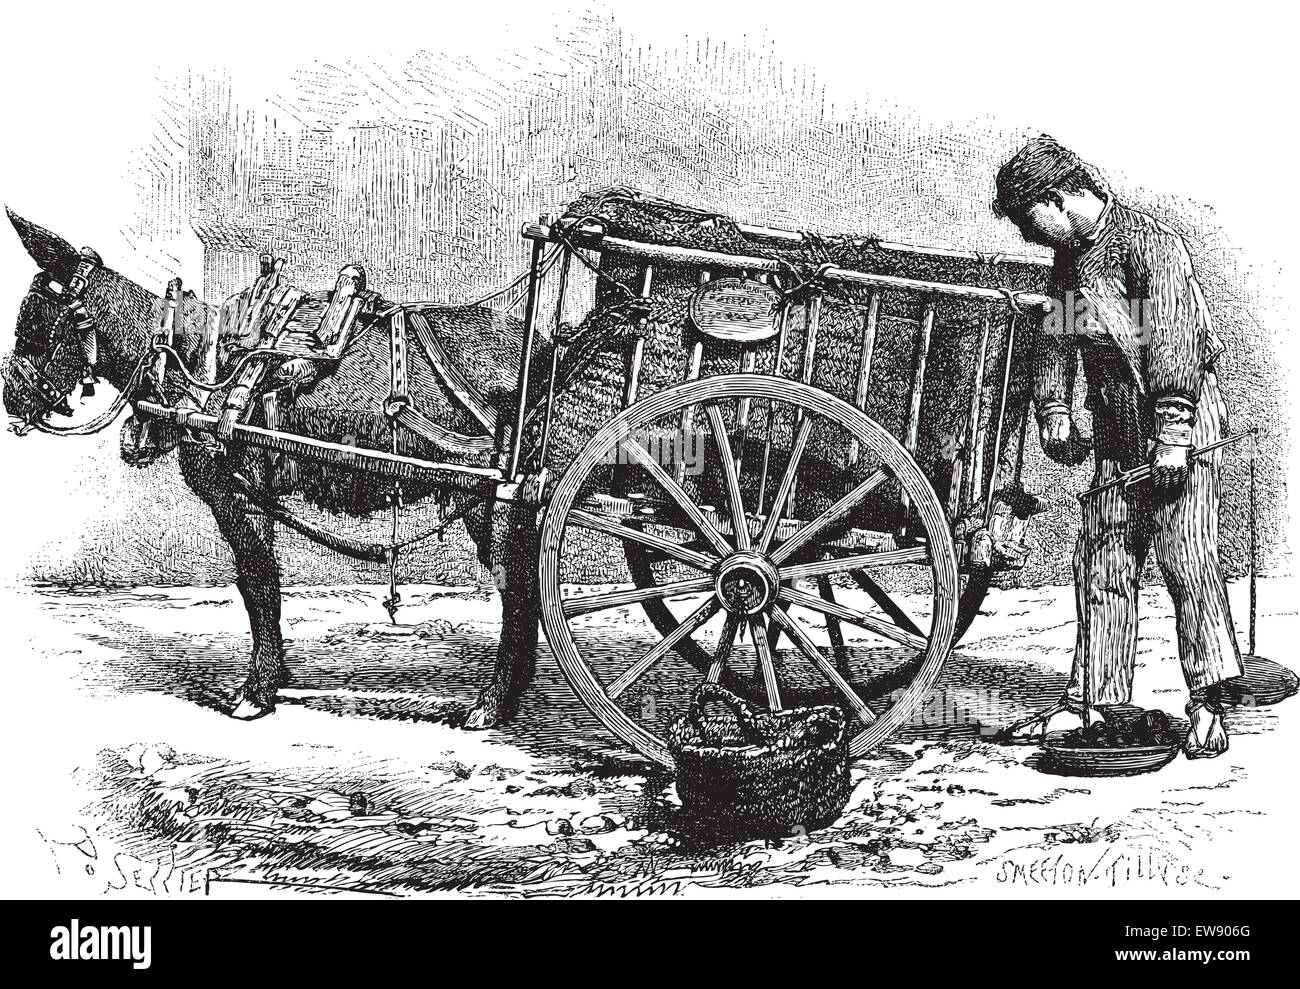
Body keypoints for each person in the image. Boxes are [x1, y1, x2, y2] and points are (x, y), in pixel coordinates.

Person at [993, 135, 1242, 758]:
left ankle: (1209, 704)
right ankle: (1098, 701)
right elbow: (1055, 340)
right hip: (1116, 432)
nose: (1034, 236)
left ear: (1060, 197)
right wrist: (1054, 409)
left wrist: (1174, 437)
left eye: (1033, 222)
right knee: (1103, 560)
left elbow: (1174, 348)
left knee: (1187, 561)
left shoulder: (1151, 245)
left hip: (1176, 424)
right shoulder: (1069, 265)